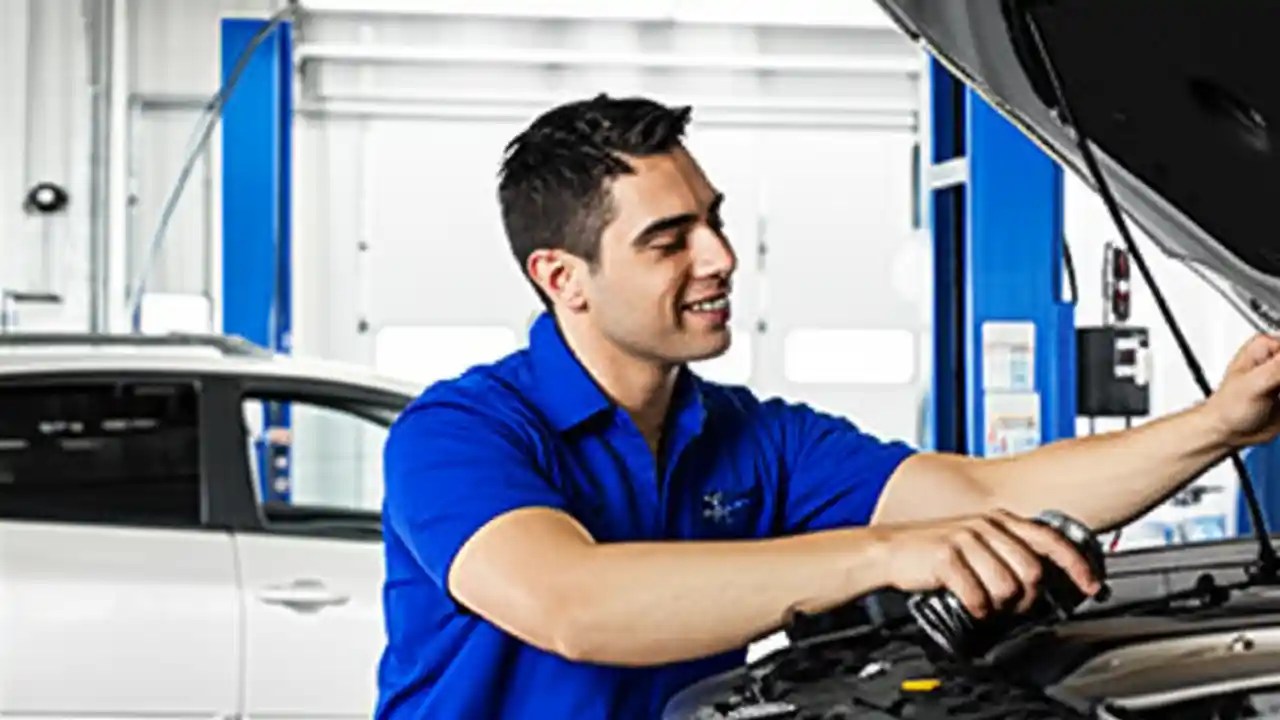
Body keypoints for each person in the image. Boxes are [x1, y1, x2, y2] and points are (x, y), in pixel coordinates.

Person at [374, 94, 1280, 719]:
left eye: (714, 219)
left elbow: (975, 491)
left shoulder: (750, 436)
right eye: (669, 240)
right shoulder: (459, 436)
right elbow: (573, 604)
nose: (721, 257)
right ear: (562, 277)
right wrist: (884, 552)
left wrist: (1221, 422)